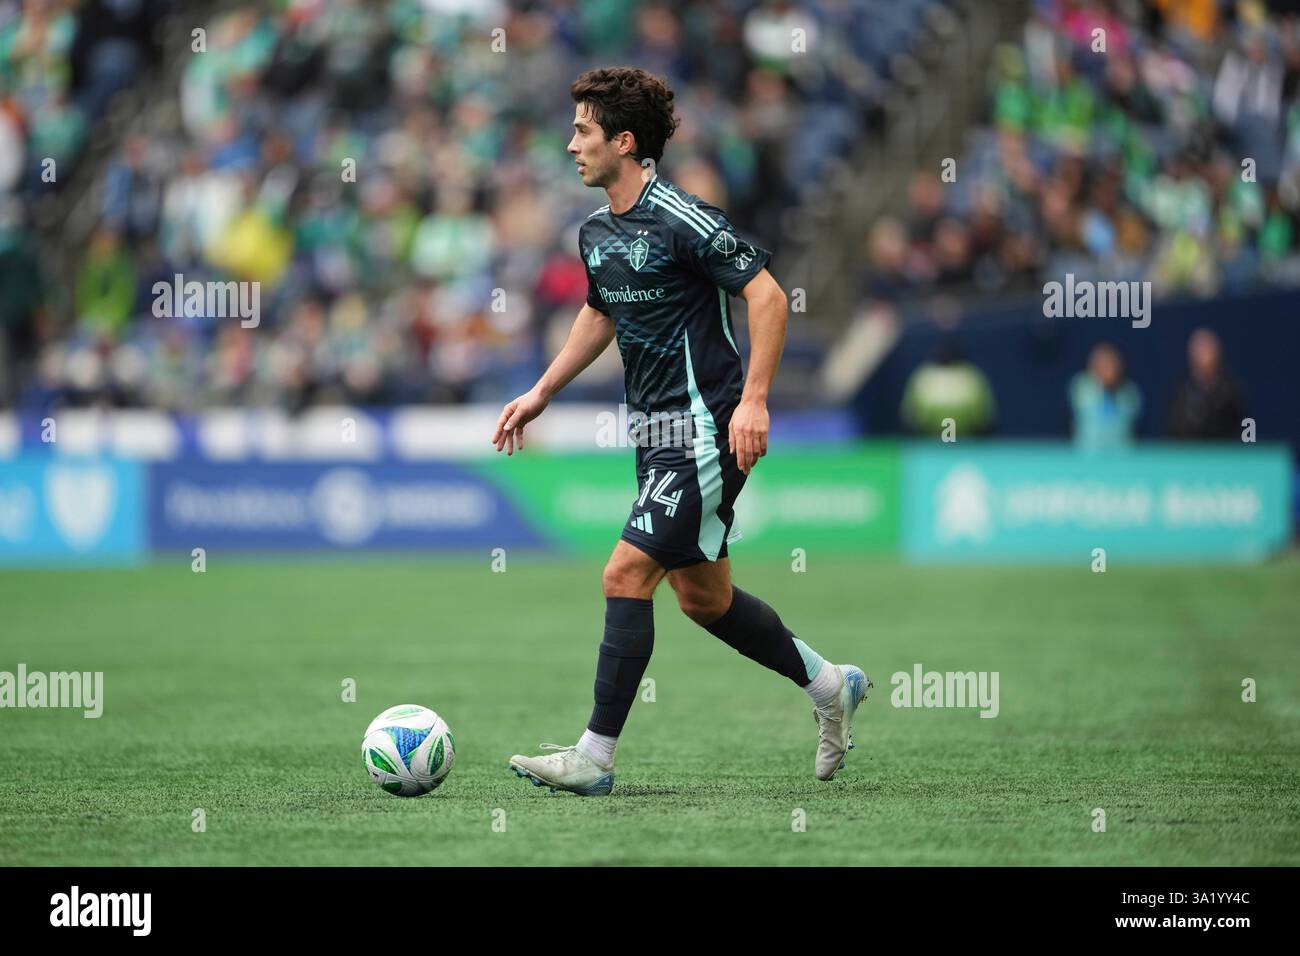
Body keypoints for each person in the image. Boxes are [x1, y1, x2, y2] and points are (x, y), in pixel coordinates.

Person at [490, 67, 870, 796]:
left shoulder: (683, 218)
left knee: (624, 574)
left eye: (583, 131)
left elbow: (766, 295)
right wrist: (541, 390)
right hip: (653, 436)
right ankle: (830, 685)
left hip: (706, 430)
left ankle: (593, 758)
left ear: (624, 142)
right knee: (704, 599)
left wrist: (755, 400)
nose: (571, 143)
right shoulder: (597, 231)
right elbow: (602, 314)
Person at [1168, 328, 1245, 440]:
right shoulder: (1181, 391)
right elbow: (1173, 428)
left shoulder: (1231, 392)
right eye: (1197, 350)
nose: (1202, 355)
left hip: (1223, 454)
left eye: (1206, 350)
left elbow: (1240, 429)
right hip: (1188, 454)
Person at [1069, 342, 1142, 450]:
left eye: (1111, 363)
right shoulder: (1082, 387)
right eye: (1102, 363)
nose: (1107, 367)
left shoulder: (1130, 393)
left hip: (1122, 455)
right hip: (1088, 454)